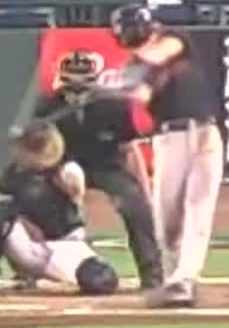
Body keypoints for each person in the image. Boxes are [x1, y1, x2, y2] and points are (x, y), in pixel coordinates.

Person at [100, 4, 222, 310]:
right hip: (169, 138)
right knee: (166, 217)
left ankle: (185, 280)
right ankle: (174, 277)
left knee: (197, 208)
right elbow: (141, 95)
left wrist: (117, 78)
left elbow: (158, 54)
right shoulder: (137, 65)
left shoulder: (173, 37)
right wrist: (107, 90)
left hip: (204, 133)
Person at [29, 51, 164, 289]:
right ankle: (30, 269)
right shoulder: (47, 106)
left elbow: (129, 148)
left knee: (134, 204)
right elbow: (38, 153)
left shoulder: (113, 105)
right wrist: (55, 176)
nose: (77, 93)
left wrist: (144, 189)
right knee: (33, 198)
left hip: (107, 165)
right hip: (63, 166)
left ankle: (152, 272)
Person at [0, 121, 121, 297]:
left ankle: (27, 274)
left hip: (64, 244)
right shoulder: (12, 175)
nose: (18, 153)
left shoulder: (67, 171)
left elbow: (76, 201)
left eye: (25, 148)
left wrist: (69, 186)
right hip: (30, 246)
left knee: (99, 279)